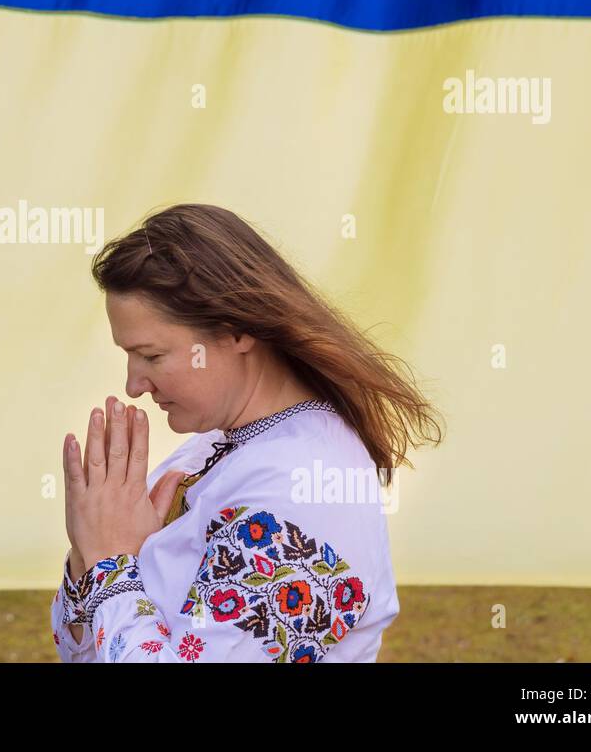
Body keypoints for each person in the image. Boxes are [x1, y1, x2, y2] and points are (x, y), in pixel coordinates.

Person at [51, 204, 443, 662]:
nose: (133, 385)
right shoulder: (213, 449)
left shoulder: (306, 490)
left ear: (237, 331)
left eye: (152, 356)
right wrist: (93, 550)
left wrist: (111, 565)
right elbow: (85, 651)